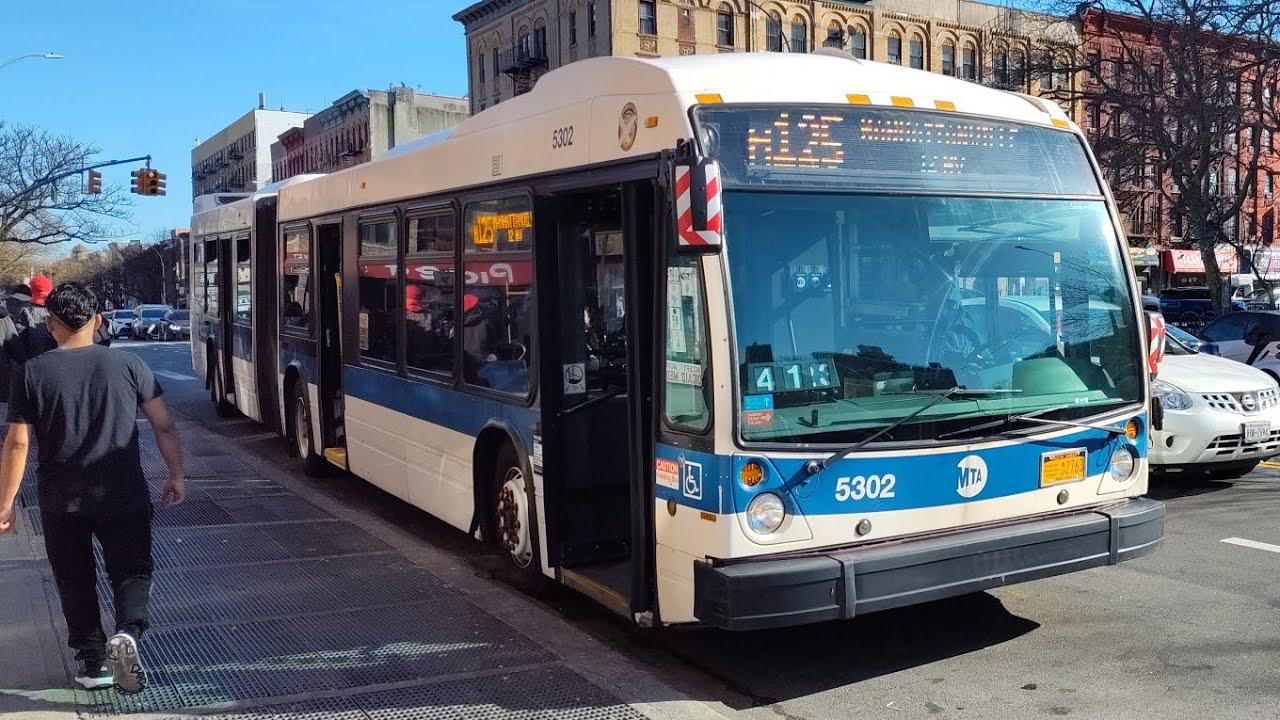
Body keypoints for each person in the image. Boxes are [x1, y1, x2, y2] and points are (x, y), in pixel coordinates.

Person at [0, 282, 185, 694]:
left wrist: (6, 502)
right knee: (132, 569)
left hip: (60, 498)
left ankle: (93, 661)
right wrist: (176, 474)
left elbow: (17, 442)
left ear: (50, 326)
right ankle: (128, 633)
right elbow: (163, 425)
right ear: (98, 321)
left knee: (74, 578)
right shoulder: (130, 366)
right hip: (123, 492)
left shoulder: (31, 372)